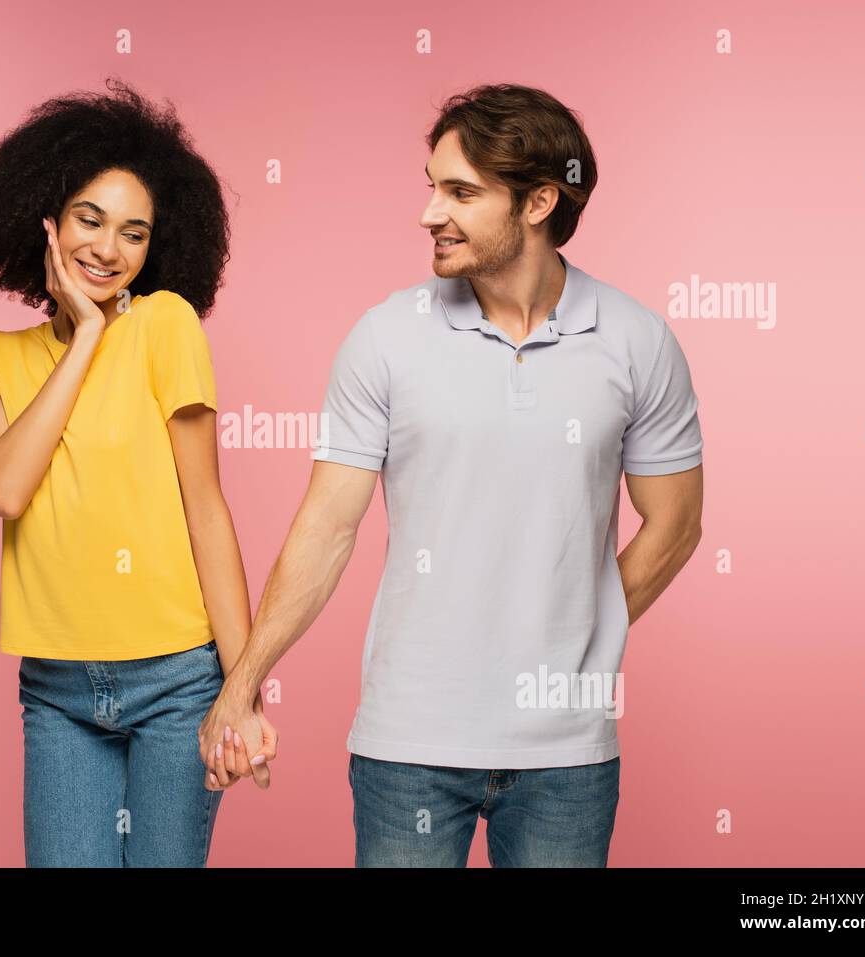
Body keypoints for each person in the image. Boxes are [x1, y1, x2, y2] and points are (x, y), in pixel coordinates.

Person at [199, 83, 705, 867]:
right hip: (409, 745)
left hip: (567, 756)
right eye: (431, 186)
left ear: (539, 202)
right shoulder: (386, 337)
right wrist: (243, 682)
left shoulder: (637, 340)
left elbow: (675, 524)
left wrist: (582, 632)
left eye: (461, 192)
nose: (429, 213)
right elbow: (328, 526)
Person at [0, 78, 275, 867]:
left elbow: (208, 510)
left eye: (133, 234)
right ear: (45, 220)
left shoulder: (167, 325)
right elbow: (5, 489)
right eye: (89, 221)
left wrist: (242, 691)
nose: (108, 249)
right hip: (58, 689)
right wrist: (88, 336)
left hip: (177, 681)